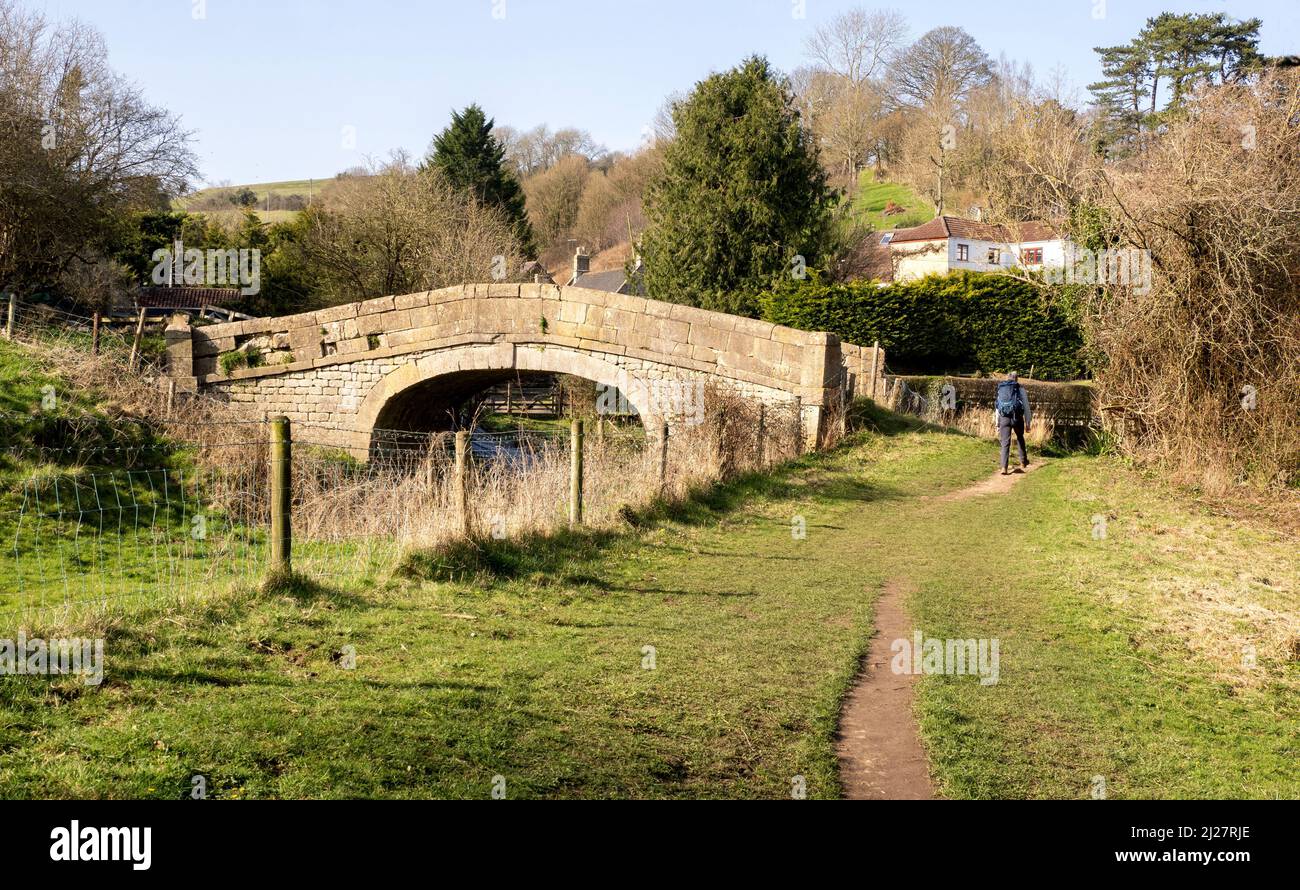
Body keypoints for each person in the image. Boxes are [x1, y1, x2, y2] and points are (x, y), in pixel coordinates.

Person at [993, 372, 1031, 475]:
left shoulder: (1002, 388)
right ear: (1016, 379)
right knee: (1020, 437)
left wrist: (997, 423)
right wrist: (1028, 422)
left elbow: (998, 407)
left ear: (1007, 378)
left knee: (1005, 443)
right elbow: (1026, 407)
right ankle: (1023, 461)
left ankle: (1004, 468)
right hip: (1017, 417)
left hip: (1004, 418)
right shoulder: (1020, 388)